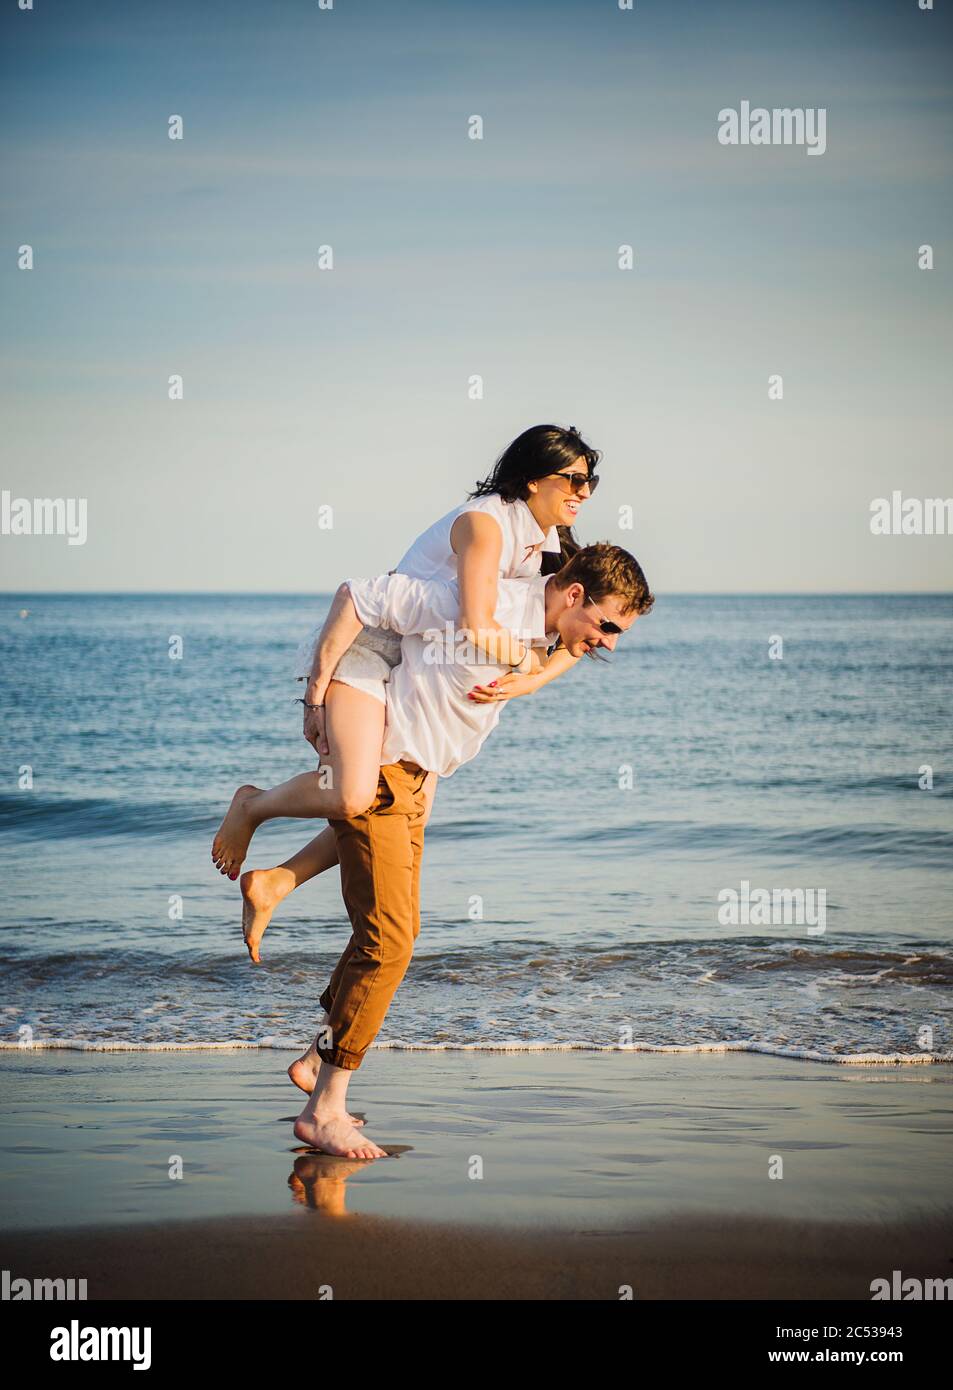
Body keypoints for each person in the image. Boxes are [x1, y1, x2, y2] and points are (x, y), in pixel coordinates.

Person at [288, 542, 654, 1158]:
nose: (611, 643)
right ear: (573, 596)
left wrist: (534, 674)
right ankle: (324, 1109)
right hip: (384, 766)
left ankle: (314, 1060)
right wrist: (319, 695)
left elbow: (562, 646)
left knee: (384, 938)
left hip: (416, 780)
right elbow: (364, 595)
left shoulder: (549, 628)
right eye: (608, 625)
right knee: (389, 941)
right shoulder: (472, 608)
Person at [209, 424, 603, 961]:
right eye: (575, 479)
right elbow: (475, 621)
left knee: (401, 805)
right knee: (353, 794)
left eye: (591, 481)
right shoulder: (486, 526)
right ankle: (253, 805)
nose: (585, 491)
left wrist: (535, 677)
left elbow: (575, 639)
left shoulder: (547, 546)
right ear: (534, 480)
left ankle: (277, 881)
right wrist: (315, 697)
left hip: (418, 665)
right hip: (372, 640)